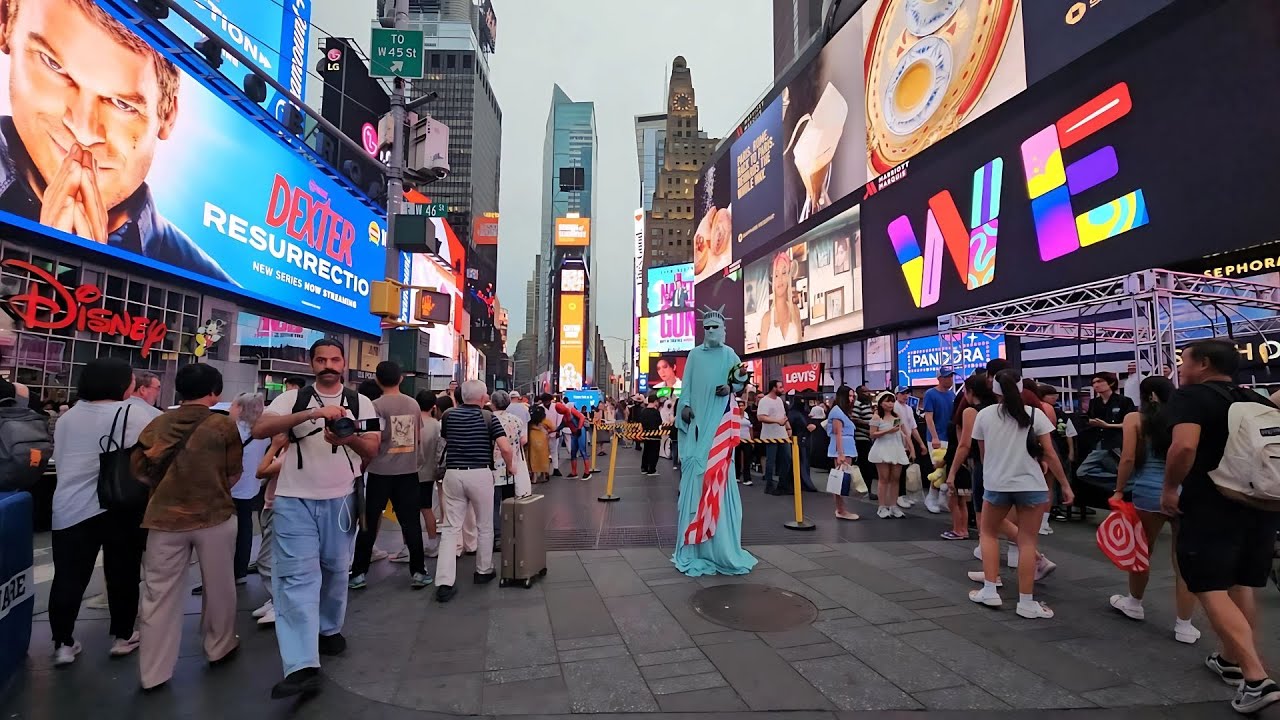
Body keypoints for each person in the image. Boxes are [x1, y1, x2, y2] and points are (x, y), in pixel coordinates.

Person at [0, 0, 232, 282]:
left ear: (167, 115)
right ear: (5, 23)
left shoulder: (205, 279)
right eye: (54, 65)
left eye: (122, 104)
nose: (83, 131)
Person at [251, 339, 380, 699]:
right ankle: (302, 664)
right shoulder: (292, 399)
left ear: (344, 363)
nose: (328, 365)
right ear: (311, 364)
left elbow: (373, 448)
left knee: (337, 568)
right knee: (295, 578)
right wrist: (311, 415)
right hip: (293, 501)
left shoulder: (360, 402)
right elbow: (260, 429)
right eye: (321, 359)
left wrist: (348, 437)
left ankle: (328, 628)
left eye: (334, 359)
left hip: (341, 497)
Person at [1161, 339, 1280, 713]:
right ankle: (1232, 659)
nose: (1180, 369)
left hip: (1211, 503)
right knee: (1241, 582)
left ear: (1204, 364)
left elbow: (1183, 447)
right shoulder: (1257, 399)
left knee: (1208, 585)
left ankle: (1256, 678)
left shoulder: (1192, 397)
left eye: (1184, 361)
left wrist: (1169, 489)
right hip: (1259, 502)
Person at [131, 363, 242, 690]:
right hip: (214, 516)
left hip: (164, 519)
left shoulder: (157, 422)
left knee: (158, 594)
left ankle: (154, 672)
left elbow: (138, 469)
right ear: (214, 392)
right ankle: (218, 647)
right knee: (219, 587)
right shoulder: (222, 426)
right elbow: (233, 473)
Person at [47, 357, 146, 665]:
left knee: (68, 577)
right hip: (118, 506)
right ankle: (122, 636)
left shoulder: (68, 417)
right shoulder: (133, 413)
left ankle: (63, 643)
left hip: (69, 507)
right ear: (121, 383)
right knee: (123, 574)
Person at [968, 370, 1073, 620]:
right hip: (1031, 485)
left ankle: (990, 589)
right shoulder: (1034, 414)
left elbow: (984, 456)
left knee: (989, 534)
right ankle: (1026, 602)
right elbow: (1049, 453)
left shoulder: (984, 415)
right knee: (1027, 542)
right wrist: (1065, 485)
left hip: (996, 483)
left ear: (995, 389)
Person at [1107, 376, 1200, 643]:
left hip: (1147, 492)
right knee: (1182, 560)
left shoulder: (1134, 420)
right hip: (1184, 492)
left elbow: (1126, 458)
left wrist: (1118, 490)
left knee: (1142, 551)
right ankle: (1184, 624)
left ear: (1146, 396)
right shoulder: (1185, 418)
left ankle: (1134, 604)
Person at [672, 308, 756, 576]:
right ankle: (694, 544)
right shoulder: (694, 355)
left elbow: (740, 381)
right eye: (706, 327)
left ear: (723, 329)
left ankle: (721, 547)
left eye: (714, 327)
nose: (709, 331)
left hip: (719, 428)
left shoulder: (730, 354)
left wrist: (731, 387)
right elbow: (685, 390)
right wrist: (684, 408)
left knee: (718, 479)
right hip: (698, 428)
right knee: (696, 479)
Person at [349, 362, 430, 591]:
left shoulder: (374, 406)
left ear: (377, 380)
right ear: (401, 379)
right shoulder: (413, 404)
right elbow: (418, 438)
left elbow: (371, 440)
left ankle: (358, 573)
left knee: (368, 523)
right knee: (411, 523)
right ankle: (418, 571)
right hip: (408, 471)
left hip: (380, 472)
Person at [434, 380, 514, 603]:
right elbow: (505, 447)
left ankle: (444, 582)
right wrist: (511, 466)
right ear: (482, 399)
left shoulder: (449, 416)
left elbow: (444, 443)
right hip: (480, 473)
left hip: (453, 474)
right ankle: (483, 570)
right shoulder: (489, 417)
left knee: (451, 528)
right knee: (485, 525)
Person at [943, 375, 996, 540]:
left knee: (981, 510)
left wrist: (951, 472)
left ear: (970, 391)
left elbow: (964, 445)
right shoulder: (998, 409)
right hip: (1001, 463)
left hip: (979, 464)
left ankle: (984, 548)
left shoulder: (970, 412)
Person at [230, 393, 270, 584]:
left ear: (241, 408)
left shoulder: (232, 429)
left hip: (228, 487)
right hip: (251, 487)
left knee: (226, 532)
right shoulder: (265, 434)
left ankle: (225, 571)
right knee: (245, 529)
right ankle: (240, 572)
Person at [869, 391, 913, 519]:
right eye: (887, 401)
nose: (890, 404)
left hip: (897, 448)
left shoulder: (897, 416)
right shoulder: (876, 417)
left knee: (895, 479)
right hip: (882, 449)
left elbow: (902, 432)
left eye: (892, 401)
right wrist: (888, 430)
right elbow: (872, 434)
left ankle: (893, 505)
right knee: (884, 478)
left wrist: (910, 447)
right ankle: (882, 507)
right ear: (881, 403)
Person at [921, 369, 957, 514]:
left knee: (947, 470)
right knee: (939, 469)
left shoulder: (951, 395)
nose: (950, 380)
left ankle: (942, 499)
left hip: (949, 436)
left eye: (951, 377)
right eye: (947, 377)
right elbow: (928, 417)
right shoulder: (930, 394)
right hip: (937, 438)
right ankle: (931, 497)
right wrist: (934, 437)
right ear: (939, 378)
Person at [491, 390, 531, 508]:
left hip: (491, 468)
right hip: (511, 467)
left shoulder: (488, 418)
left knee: (493, 504)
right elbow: (524, 440)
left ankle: (495, 526)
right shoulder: (516, 420)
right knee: (508, 504)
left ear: (493, 403)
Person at [826, 385, 860, 521]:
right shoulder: (837, 412)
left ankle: (841, 509)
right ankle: (841, 510)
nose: (851, 399)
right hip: (842, 449)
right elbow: (838, 433)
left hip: (846, 448)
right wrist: (840, 453)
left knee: (842, 480)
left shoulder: (841, 412)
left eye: (853, 396)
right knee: (840, 480)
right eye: (849, 396)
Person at [757, 252, 801, 350]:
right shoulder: (767, 319)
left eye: (784, 273)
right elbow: (762, 359)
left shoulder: (795, 311)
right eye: (776, 275)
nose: (780, 279)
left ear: (789, 276)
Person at [894, 386, 927, 509]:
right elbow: (897, 427)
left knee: (905, 469)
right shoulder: (895, 407)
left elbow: (913, 428)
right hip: (898, 443)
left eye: (907, 393)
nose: (905, 396)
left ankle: (903, 494)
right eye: (902, 393)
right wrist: (909, 443)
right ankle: (899, 496)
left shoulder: (908, 409)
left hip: (907, 443)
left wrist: (921, 444)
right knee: (900, 470)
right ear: (897, 394)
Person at [757, 380, 791, 495]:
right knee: (771, 460)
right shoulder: (765, 401)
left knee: (787, 459)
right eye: (780, 387)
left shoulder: (779, 401)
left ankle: (783, 484)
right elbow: (761, 417)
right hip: (770, 435)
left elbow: (783, 416)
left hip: (782, 435)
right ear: (773, 388)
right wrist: (777, 421)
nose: (782, 389)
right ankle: (769, 485)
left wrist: (788, 427)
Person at [554, 398, 590, 479]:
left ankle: (587, 472)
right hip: (574, 433)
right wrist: (552, 430)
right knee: (573, 453)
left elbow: (582, 417)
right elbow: (561, 426)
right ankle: (574, 472)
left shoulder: (571, 410)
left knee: (582, 451)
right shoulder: (565, 416)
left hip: (580, 431)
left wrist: (580, 428)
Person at [851, 386, 875, 498]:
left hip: (868, 438)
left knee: (868, 466)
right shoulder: (857, 404)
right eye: (864, 392)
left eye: (867, 391)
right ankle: (865, 490)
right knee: (865, 465)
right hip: (861, 438)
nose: (867, 393)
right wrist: (869, 424)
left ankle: (868, 489)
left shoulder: (867, 405)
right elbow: (854, 419)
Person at [527, 403, 553, 483]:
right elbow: (553, 427)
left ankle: (534, 477)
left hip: (532, 437)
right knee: (543, 456)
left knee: (533, 456)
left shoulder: (530, 422)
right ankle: (544, 474)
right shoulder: (544, 421)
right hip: (543, 438)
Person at [638, 395, 663, 475]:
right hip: (655, 435)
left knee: (646, 451)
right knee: (654, 452)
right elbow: (659, 422)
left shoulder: (643, 411)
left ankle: (644, 468)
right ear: (655, 401)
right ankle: (652, 469)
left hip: (646, 434)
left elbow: (641, 422)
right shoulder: (656, 412)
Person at [734, 396, 754, 486]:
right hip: (737, 440)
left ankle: (747, 478)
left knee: (747, 460)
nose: (741, 407)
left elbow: (751, 429)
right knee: (737, 459)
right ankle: (736, 476)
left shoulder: (747, 415)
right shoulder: (733, 416)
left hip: (747, 440)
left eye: (742, 405)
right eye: (739, 405)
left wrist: (752, 440)